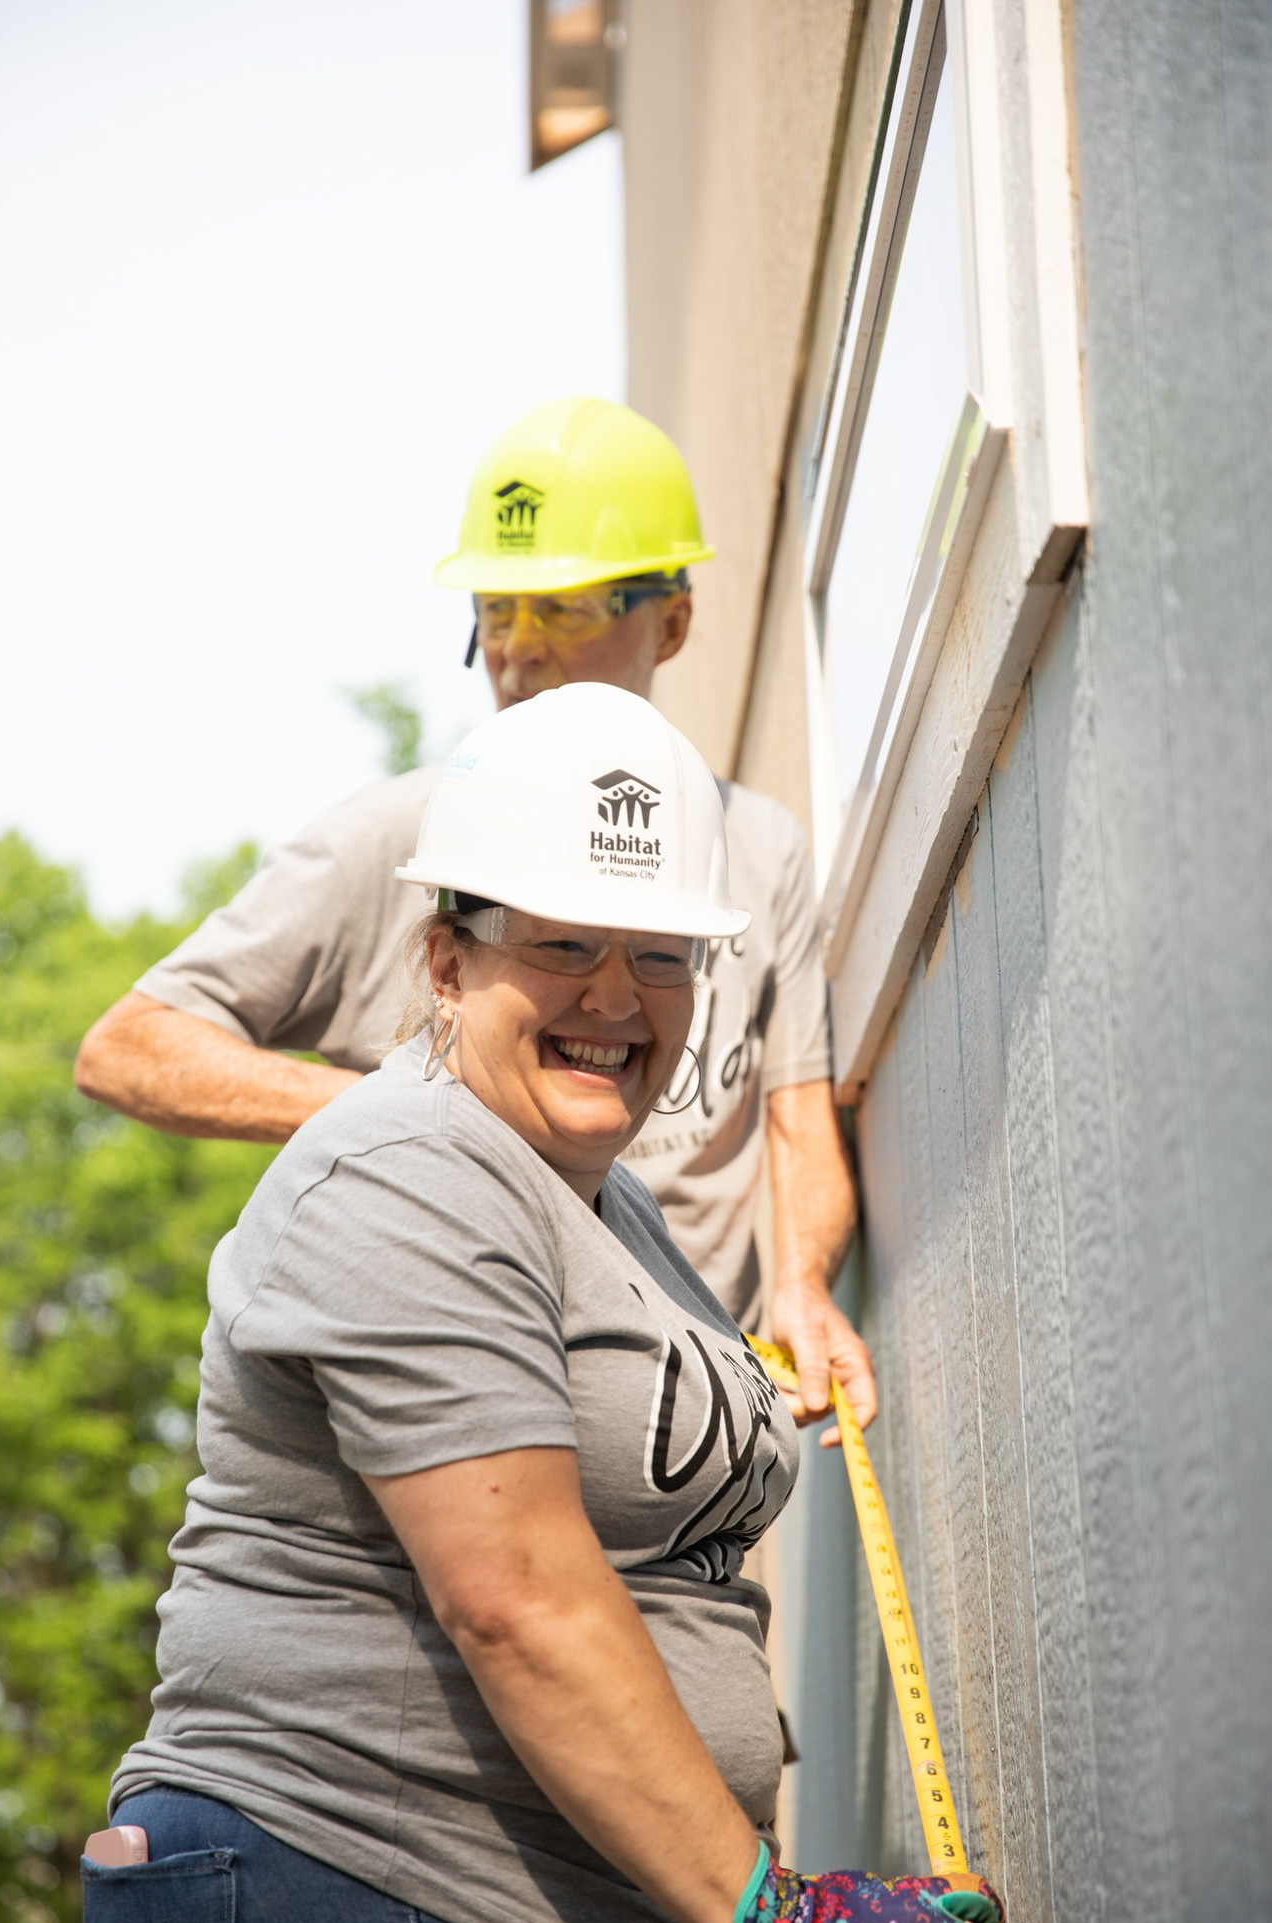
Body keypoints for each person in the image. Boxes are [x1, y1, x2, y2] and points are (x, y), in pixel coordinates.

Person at [84, 687, 1044, 1923]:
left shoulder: (615, 1211)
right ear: (444, 962)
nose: (616, 995)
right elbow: (517, 1600)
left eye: (660, 954)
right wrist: (774, 1917)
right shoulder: (407, 1170)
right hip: (355, 1896)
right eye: (562, 943)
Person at [73, 397, 868, 1437]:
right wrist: (396, 1114)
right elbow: (127, 1047)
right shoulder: (404, 837)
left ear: (671, 620)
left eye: (566, 608)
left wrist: (804, 1285)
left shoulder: (756, 850)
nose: (520, 650)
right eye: (498, 610)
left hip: (674, 1440)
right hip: (456, 1412)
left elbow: (796, 1121)